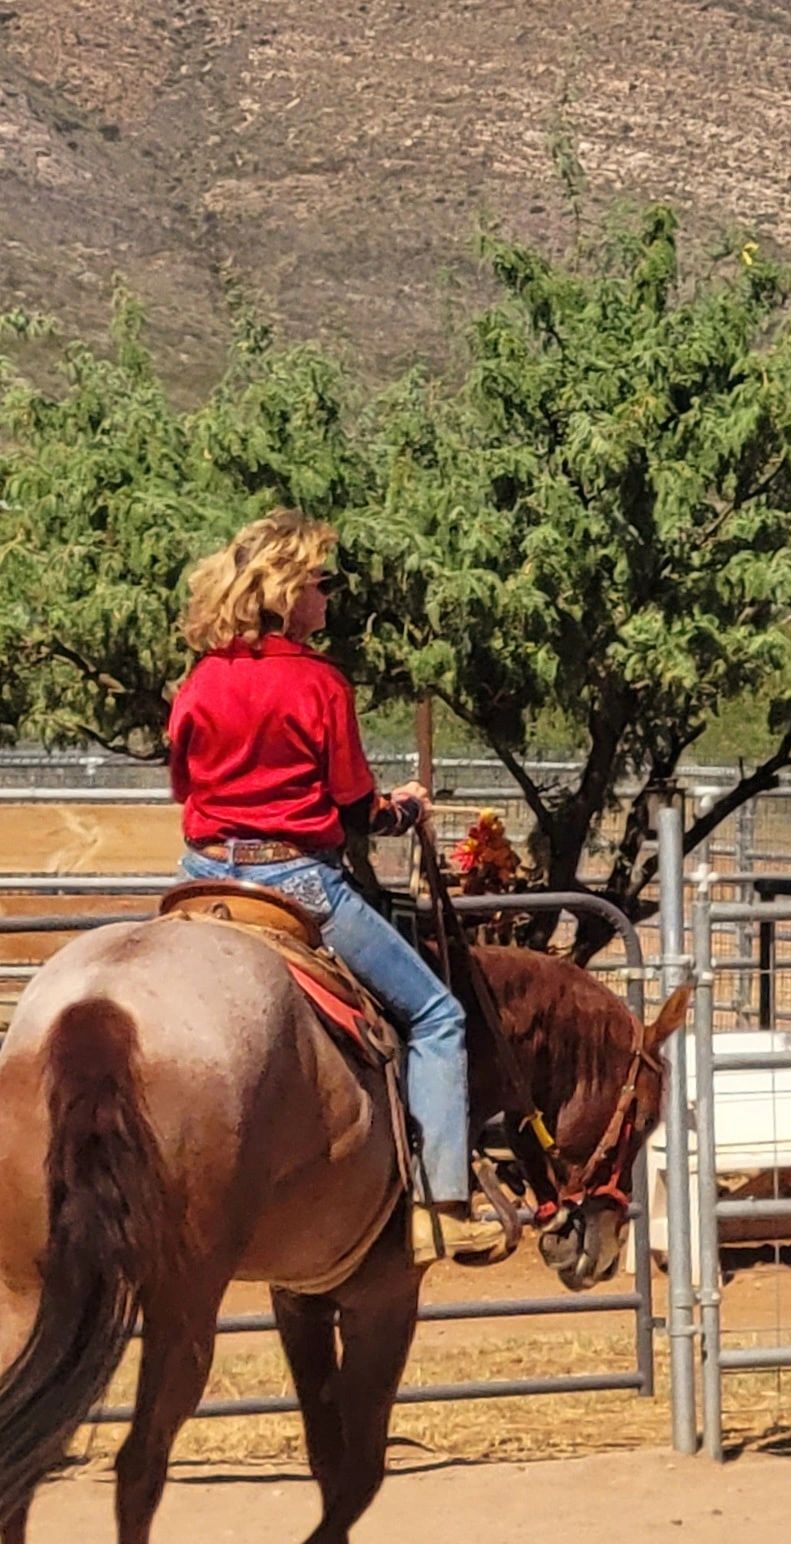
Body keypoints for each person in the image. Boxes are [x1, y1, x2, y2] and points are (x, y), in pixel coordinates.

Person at [167, 508, 506, 1265]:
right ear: (290, 591)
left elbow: (184, 781)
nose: (330, 597)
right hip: (293, 879)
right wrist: (404, 809)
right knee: (437, 1016)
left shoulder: (200, 678)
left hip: (199, 876)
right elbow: (354, 807)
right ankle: (440, 1205)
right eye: (323, 582)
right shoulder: (317, 681)